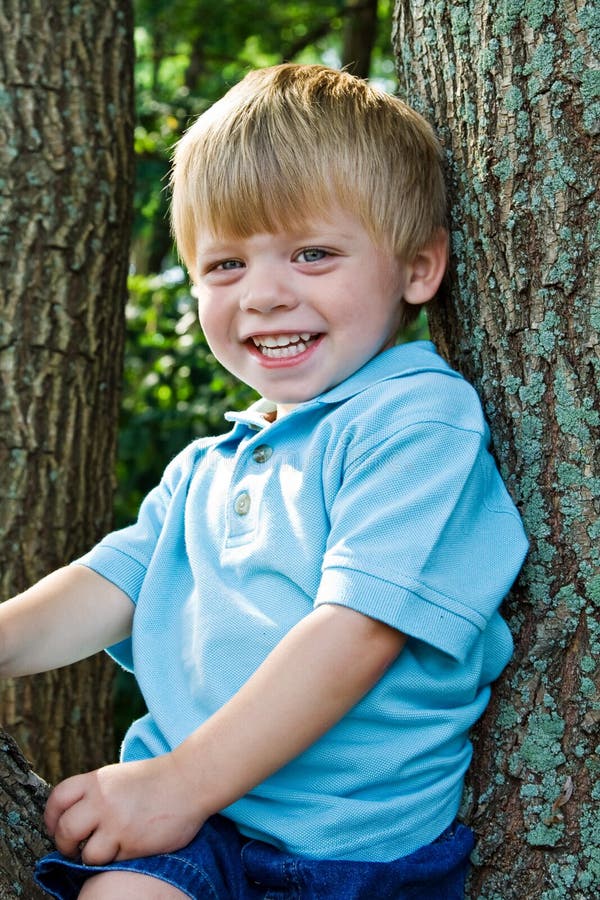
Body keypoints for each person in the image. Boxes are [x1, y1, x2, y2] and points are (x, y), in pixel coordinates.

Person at [2, 64, 527, 898]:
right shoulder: (209, 464)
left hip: (350, 856)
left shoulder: (415, 420)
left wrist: (177, 785)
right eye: (225, 266)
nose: (267, 295)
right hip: (199, 829)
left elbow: (359, 632)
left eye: (313, 254)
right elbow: (107, 586)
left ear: (419, 269)